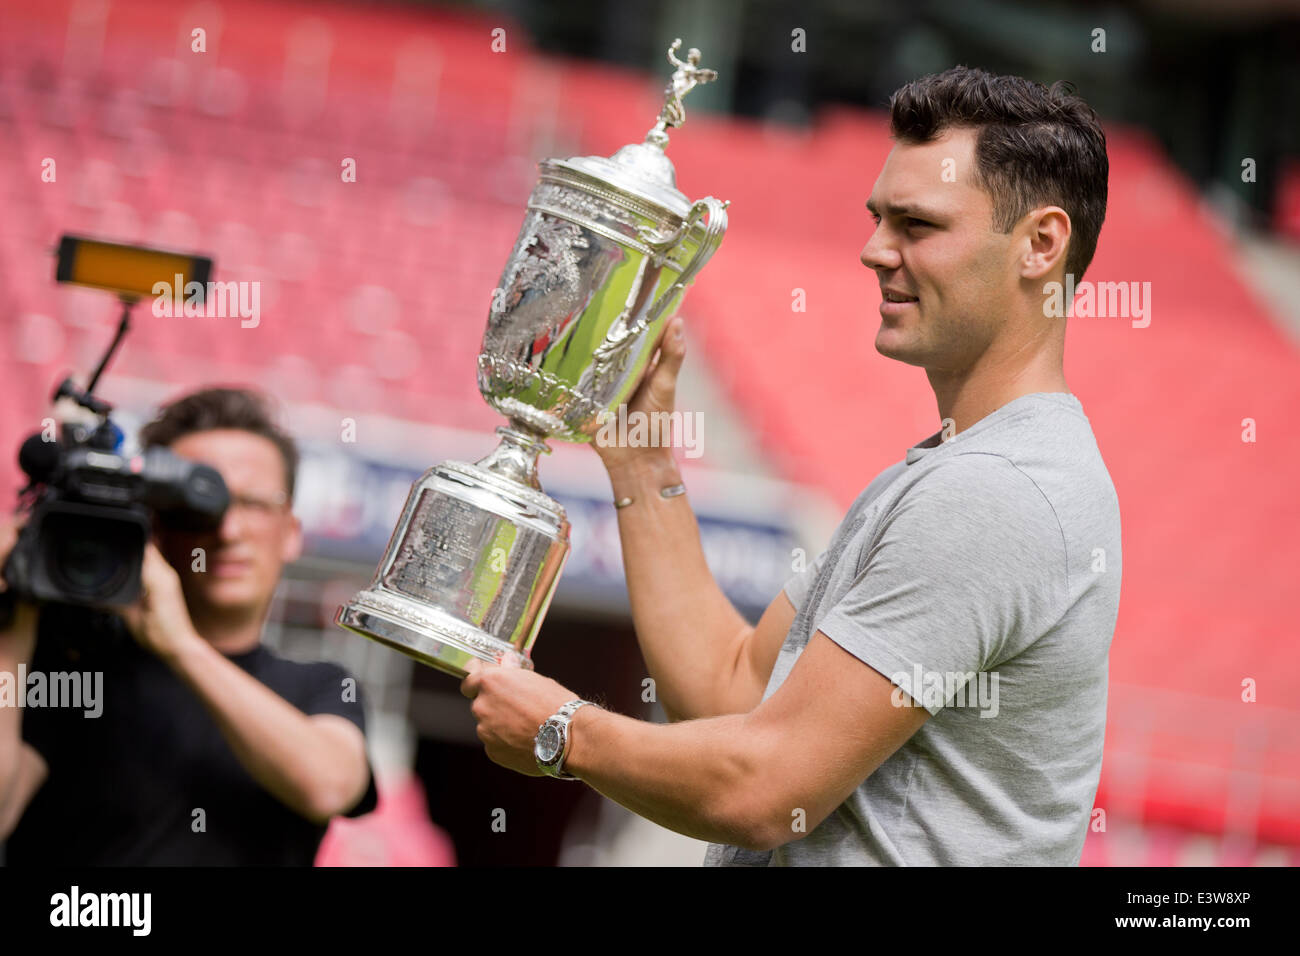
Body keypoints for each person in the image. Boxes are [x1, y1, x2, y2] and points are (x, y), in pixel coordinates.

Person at [458, 65, 1122, 866]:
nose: (876, 251)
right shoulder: (954, 468)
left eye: (917, 225)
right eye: (880, 218)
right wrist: (640, 464)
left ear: (1041, 245)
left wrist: (561, 730)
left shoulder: (997, 491)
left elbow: (769, 791)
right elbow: (728, 688)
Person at [0, 387, 378, 865]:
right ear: (154, 526)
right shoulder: (77, 662)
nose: (227, 532)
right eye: (200, 505)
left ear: (292, 533)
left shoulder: (322, 687)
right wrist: (13, 614)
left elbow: (328, 787)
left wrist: (181, 647)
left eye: (254, 504)